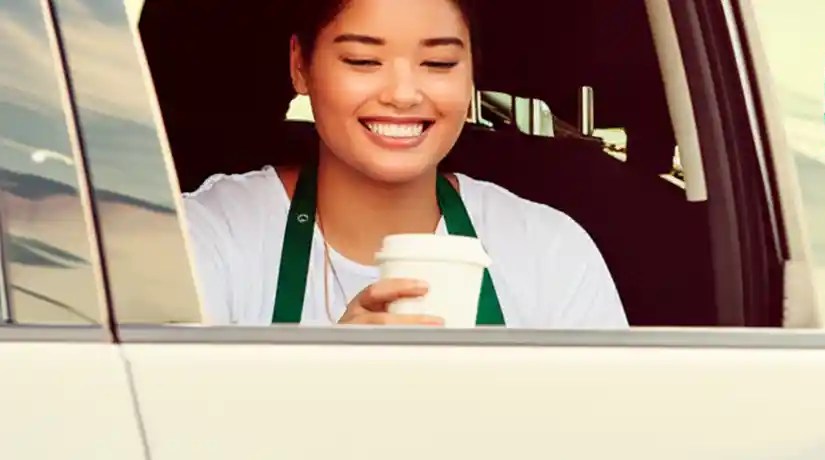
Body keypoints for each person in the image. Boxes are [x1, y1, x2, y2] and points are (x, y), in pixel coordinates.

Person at [181, 0, 629, 328]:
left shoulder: (550, 253)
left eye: (438, 62)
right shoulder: (207, 238)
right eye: (362, 60)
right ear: (301, 65)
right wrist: (322, 381)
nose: (403, 93)